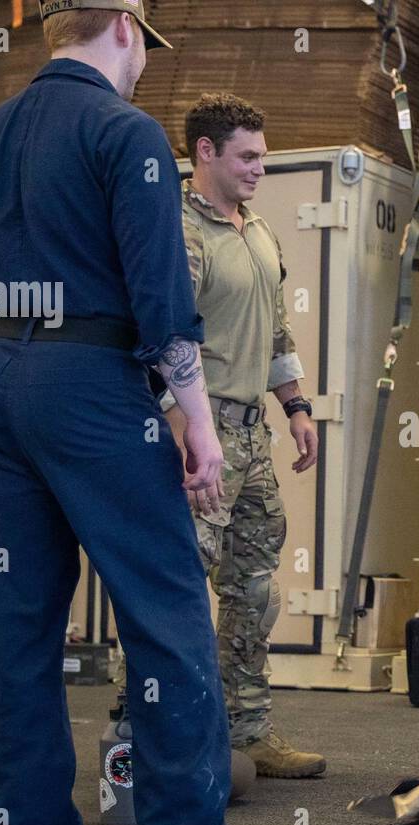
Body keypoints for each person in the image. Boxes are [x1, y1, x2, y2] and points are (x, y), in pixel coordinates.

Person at [0, 0, 258, 825]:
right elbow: (162, 301)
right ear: (125, 25)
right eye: (145, 43)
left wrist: (9, 366)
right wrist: (200, 424)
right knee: (165, 611)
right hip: (91, 383)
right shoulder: (128, 135)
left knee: (17, 624)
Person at [162, 93, 325, 778]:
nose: (261, 167)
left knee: (255, 590)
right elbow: (165, 333)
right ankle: (145, 741)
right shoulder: (177, 230)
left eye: (263, 155)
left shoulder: (257, 230)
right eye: (248, 156)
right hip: (199, 431)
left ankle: (247, 731)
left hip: (252, 434)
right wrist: (181, 429)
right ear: (206, 153)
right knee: (172, 592)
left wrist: (295, 405)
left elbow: (276, 326)